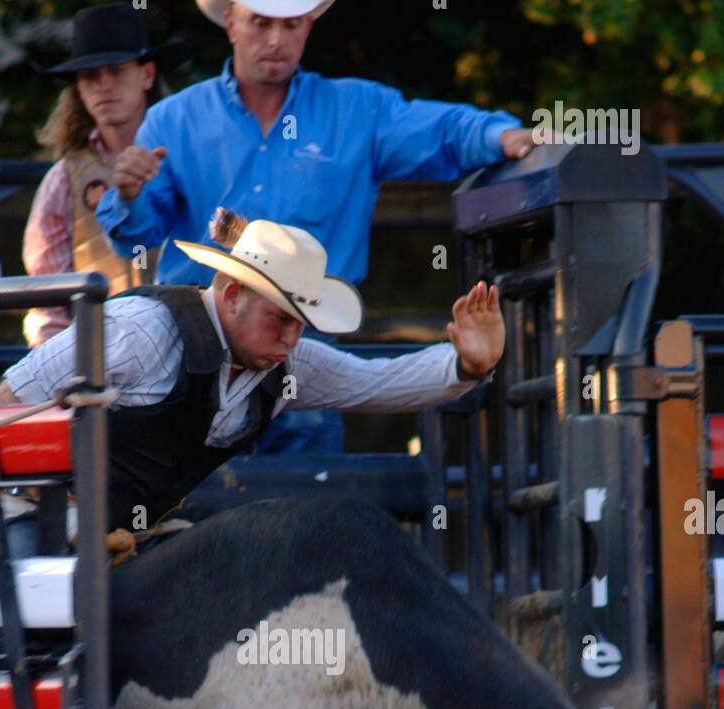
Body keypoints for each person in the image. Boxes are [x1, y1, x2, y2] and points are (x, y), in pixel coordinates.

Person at [93, 0, 533, 453]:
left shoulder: (357, 109)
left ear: (309, 26)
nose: (276, 40)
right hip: (202, 350)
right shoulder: (174, 118)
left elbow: (441, 130)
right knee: (221, 495)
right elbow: (134, 237)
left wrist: (501, 136)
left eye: (291, 24)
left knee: (296, 500)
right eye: (261, 22)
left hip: (298, 347)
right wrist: (128, 196)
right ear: (231, 23)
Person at [0, 214, 504, 560]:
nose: (292, 338)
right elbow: (12, 400)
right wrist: (70, 525)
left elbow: (375, 382)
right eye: (280, 318)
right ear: (232, 294)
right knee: (32, 628)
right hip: (22, 514)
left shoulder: (283, 365)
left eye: (300, 323)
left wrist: (467, 366)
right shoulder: (140, 330)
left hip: (118, 540)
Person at [22, 3, 190, 348]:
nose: (103, 85)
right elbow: (49, 301)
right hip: (98, 360)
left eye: (115, 71)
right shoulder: (63, 180)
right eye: (89, 76)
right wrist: (57, 366)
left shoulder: (189, 158)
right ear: (78, 90)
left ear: (147, 75)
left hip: (190, 350)